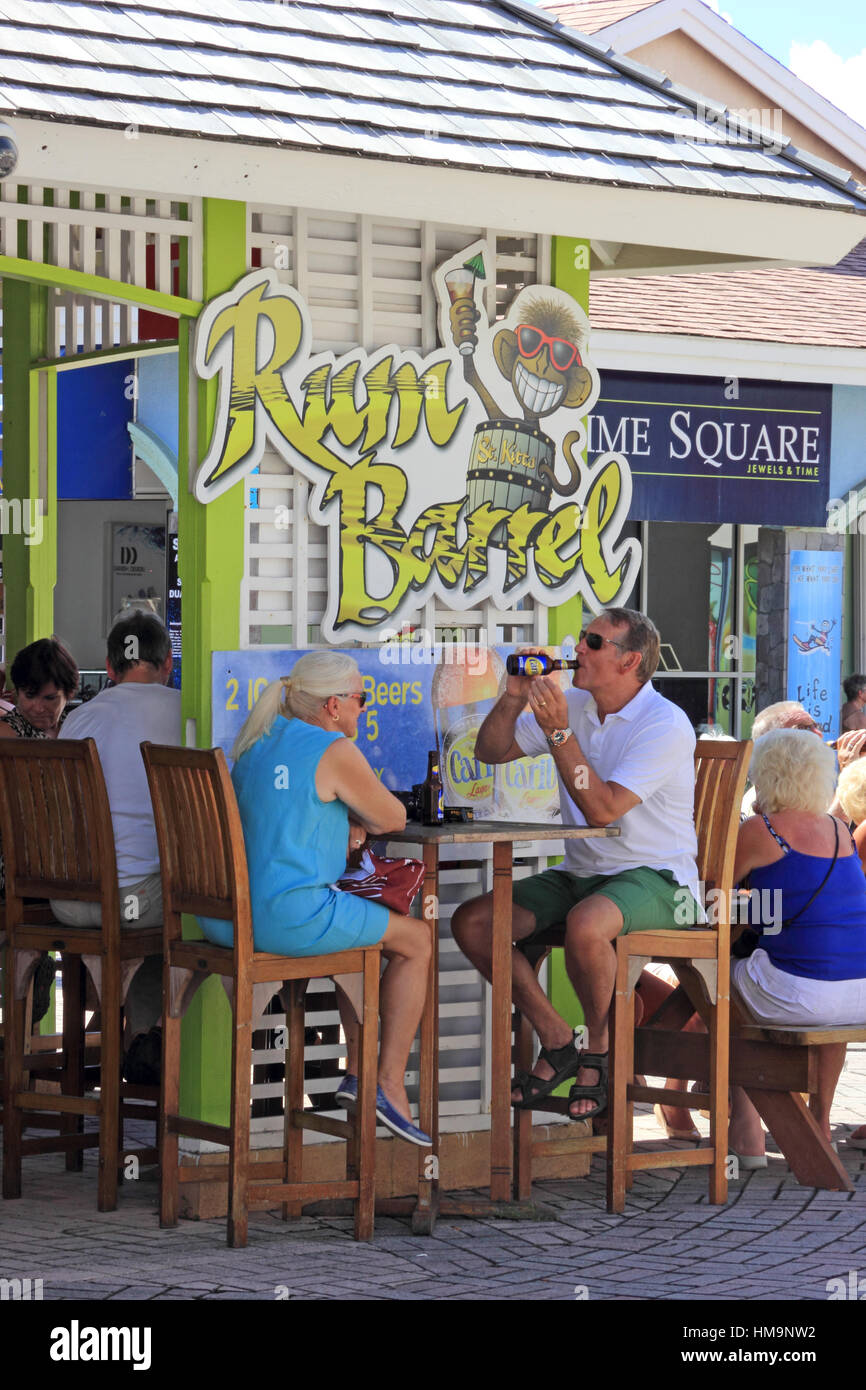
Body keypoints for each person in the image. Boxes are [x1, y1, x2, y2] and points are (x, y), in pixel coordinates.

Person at [451, 607, 701, 1122]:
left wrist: (561, 736)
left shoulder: (665, 723)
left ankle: (600, 1052)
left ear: (630, 660)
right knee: (474, 923)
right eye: (582, 639)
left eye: (592, 641)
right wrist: (515, 694)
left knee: (588, 926)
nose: (577, 649)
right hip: (582, 873)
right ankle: (558, 1037)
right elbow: (489, 751)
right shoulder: (579, 703)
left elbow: (603, 809)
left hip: (660, 877)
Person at [198, 650, 433, 1147]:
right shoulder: (333, 748)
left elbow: (285, 817)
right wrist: (359, 819)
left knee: (364, 945)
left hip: (224, 919)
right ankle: (383, 1084)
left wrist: (342, 821)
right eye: (360, 700)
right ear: (332, 706)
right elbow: (391, 818)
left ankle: (362, 1074)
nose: (363, 709)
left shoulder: (256, 741)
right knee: (415, 940)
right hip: (288, 917)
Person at [49, 612, 182, 1078]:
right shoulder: (187, 712)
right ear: (167, 663)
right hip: (134, 905)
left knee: (157, 927)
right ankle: (157, 1047)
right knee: (199, 911)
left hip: (69, 901)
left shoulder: (81, 717)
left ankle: (138, 1045)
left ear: (109, 667)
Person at [729, 729, 866, 1163]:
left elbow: (706, 896)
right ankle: (820, 1122)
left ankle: (745, 1128)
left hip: (799, 993)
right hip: (858, 994)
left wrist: (748, 911)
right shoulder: (841, 830)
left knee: (715, 981)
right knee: (825, 991)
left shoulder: (760, 829)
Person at [0, 637, 80, 1020]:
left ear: (67, 694)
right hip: (15, 866)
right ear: (14, 692)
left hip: (57, 864)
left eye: (50, 698)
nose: (39, 707)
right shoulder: (7, 733)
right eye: (29, 696)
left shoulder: (76, 731)